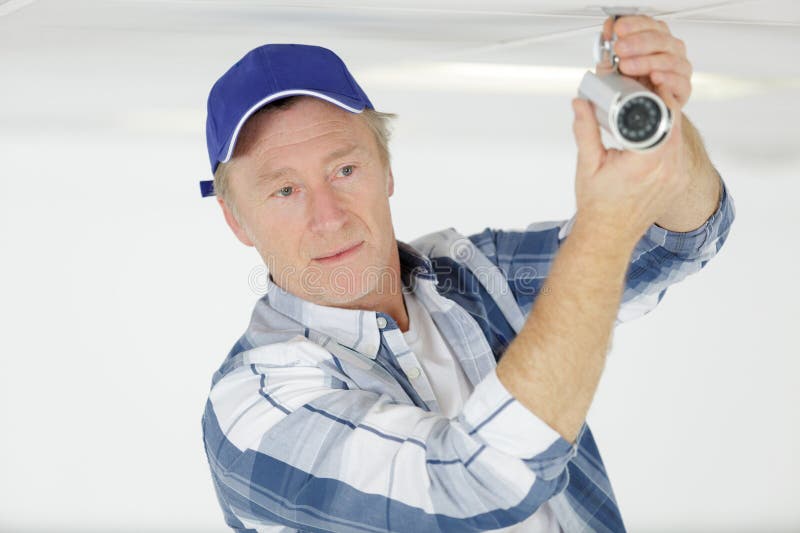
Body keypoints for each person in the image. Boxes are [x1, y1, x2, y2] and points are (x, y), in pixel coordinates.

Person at [200, 15, 735, 533]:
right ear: (235, 220)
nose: (329, 217)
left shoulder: (468, 276)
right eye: (285, 191)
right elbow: (476, 483)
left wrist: (657, 123)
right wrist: (605, 225)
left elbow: (674, 242)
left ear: (387, 171)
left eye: (345, 170)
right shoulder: (256, 408)